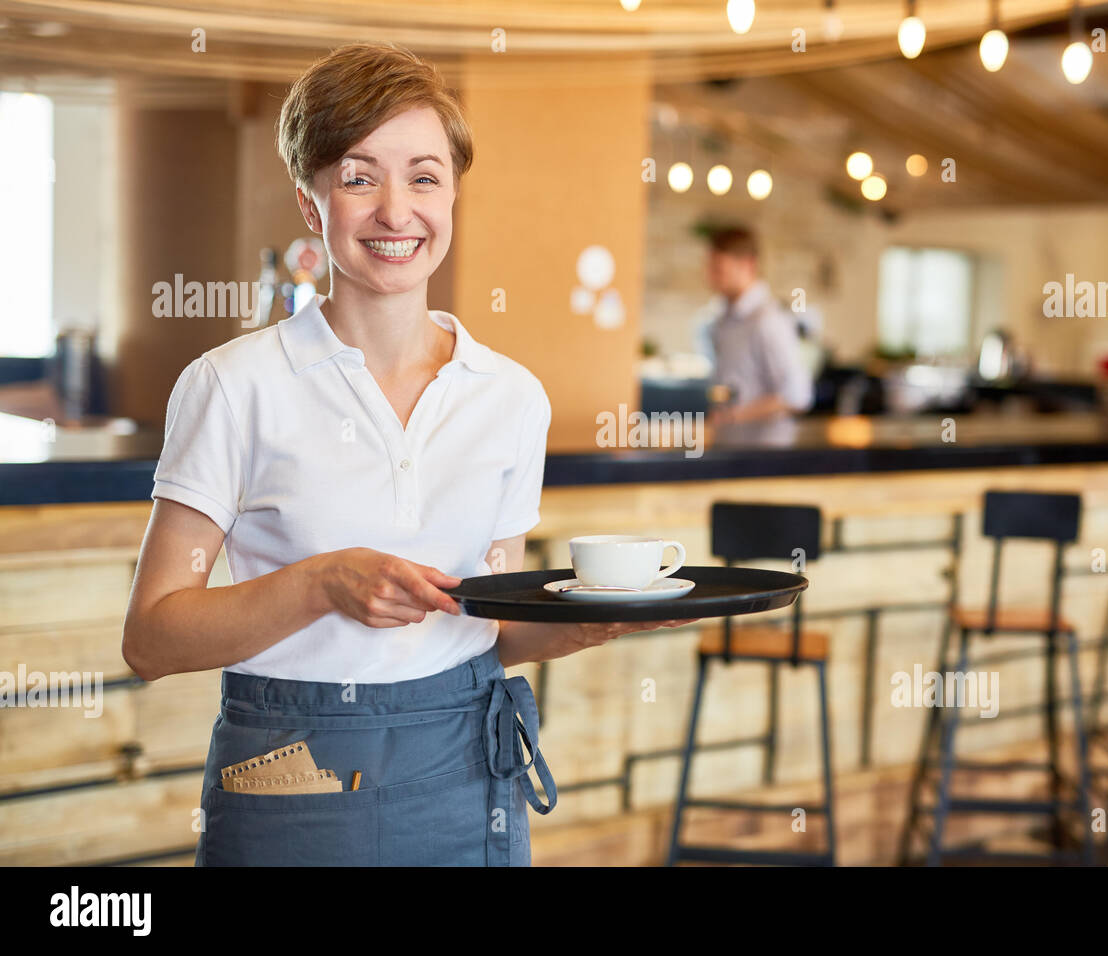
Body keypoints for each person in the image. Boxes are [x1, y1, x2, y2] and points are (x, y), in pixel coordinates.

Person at [121, 42, 693, 867]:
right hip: (293, 777)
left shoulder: (509, 397)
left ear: (453, 194)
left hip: (465, 772)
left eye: (424, 176)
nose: (396, 210)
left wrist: (584, 624)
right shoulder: (232, 385)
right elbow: (152, 639)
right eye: (359, 177)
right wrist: (321, 582)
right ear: (312, 206)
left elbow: (489, 629)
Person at [701, 226, 815, 425]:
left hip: (760, 449)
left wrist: (733, 417)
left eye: (718, 269)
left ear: (747, 265)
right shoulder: (724, 319)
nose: (711, 277)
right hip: (730, 444)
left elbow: (797, 395)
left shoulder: (768, 320)